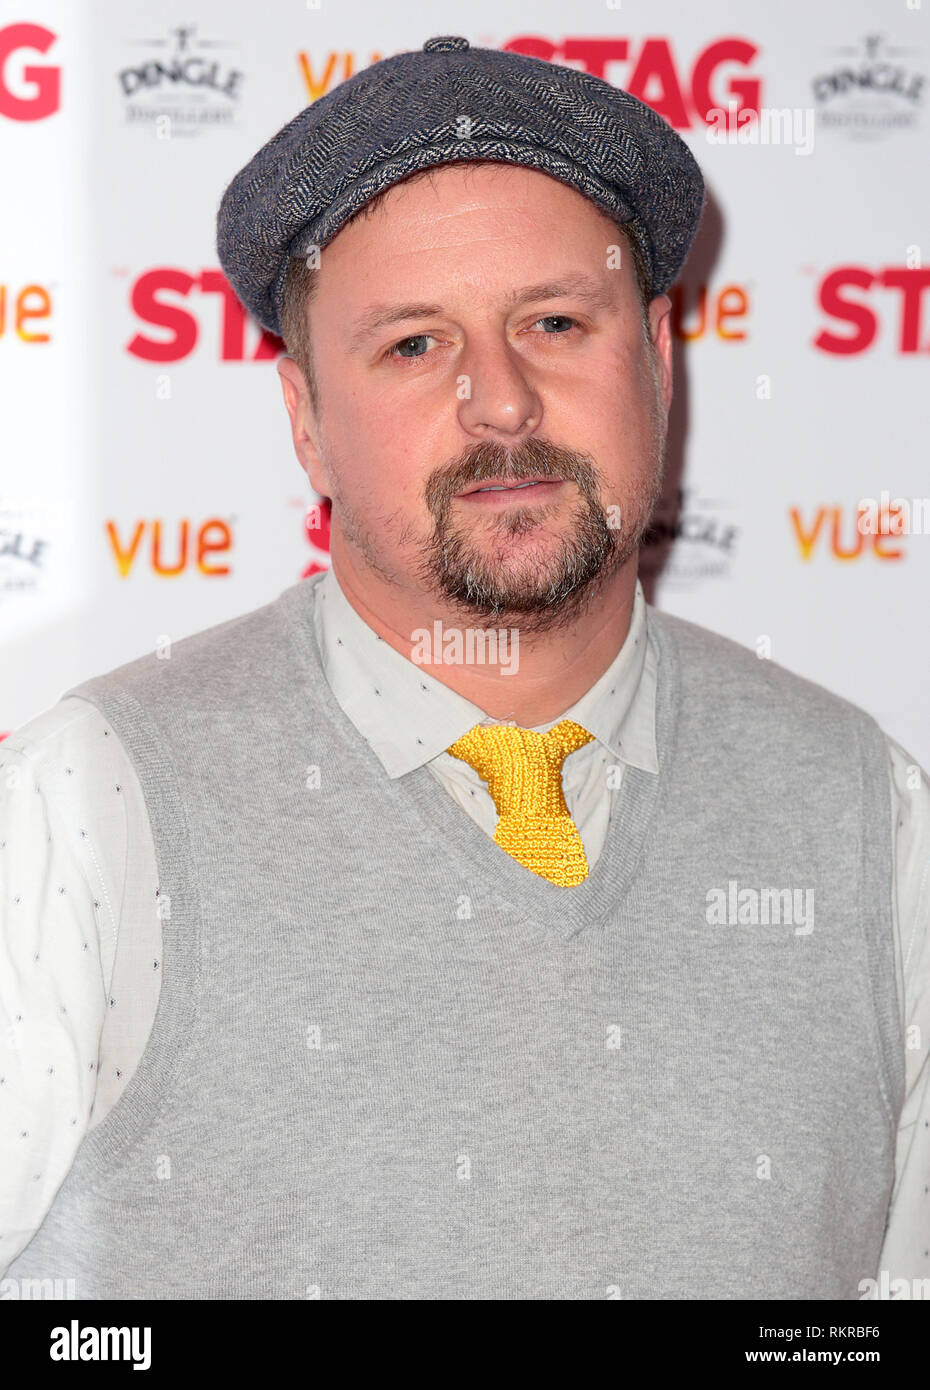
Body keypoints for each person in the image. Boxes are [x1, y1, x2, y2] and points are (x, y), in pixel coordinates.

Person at [1, 35, 928, 1301]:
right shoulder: (80, 812)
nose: (501, 401)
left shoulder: (867, 811)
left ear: (658, 358)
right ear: (304, 422)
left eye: (554, 321)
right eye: (413, 345)